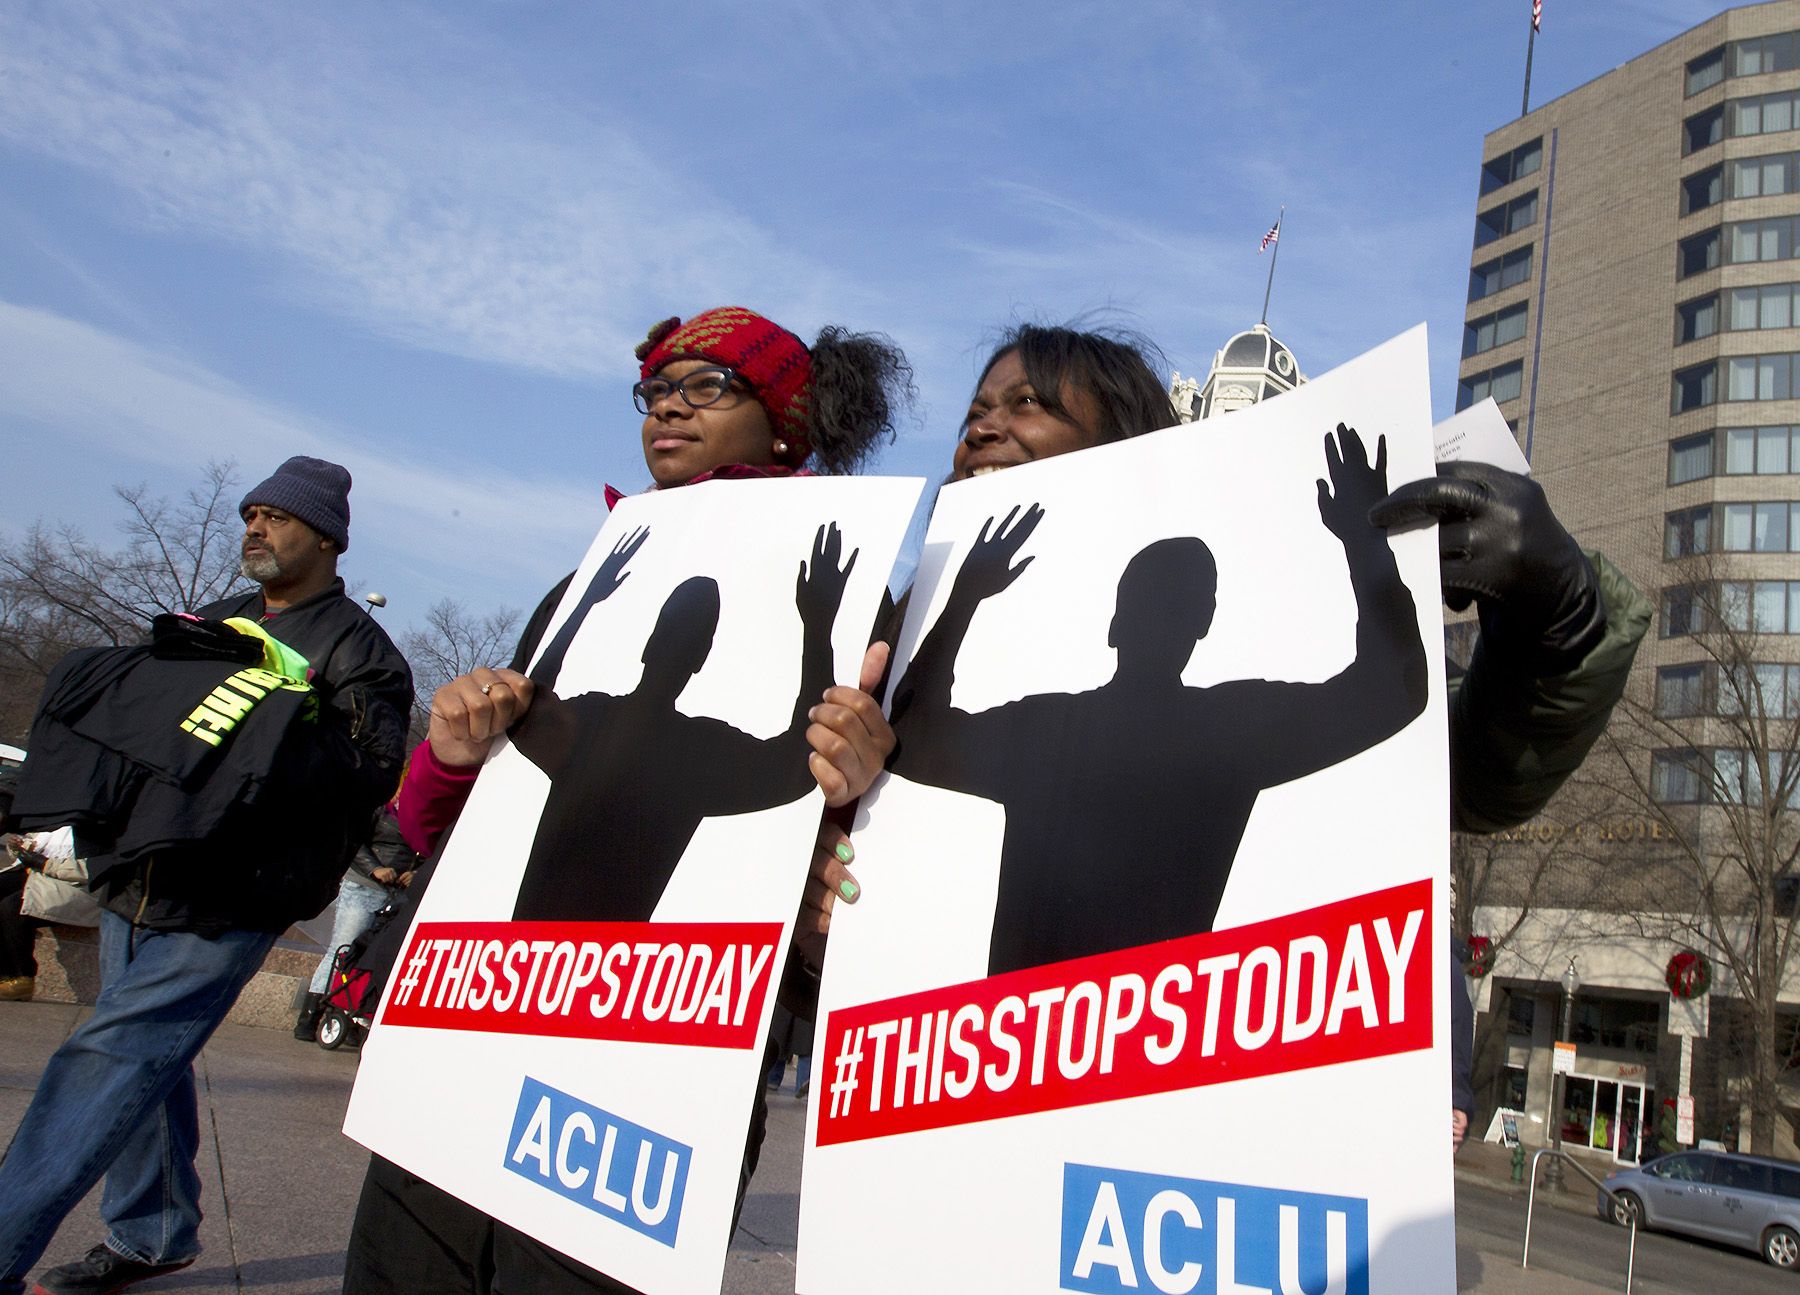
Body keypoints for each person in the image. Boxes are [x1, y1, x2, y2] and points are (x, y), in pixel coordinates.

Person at [797, 320, 1651, 1070]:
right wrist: (816, 902)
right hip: (957, 1121)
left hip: (1164, 1120)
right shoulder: (900, 656)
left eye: (1026, 405)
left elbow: (1411, 720)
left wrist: (1560, 614)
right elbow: (839, 925)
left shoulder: (1224, 719)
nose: (983, 425)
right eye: (976, 410)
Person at [342, 306, 910, 1295]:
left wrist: (837, 696)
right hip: (471, 1020)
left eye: (706, 387)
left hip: (654, 1061)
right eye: (656, 389)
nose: (667, 410)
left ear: (785, 421)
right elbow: (450, 822)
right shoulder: (582, 592)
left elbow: (804, 785)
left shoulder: (870, 603)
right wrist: (446, 754)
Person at [0, 457, 412, 1295]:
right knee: (146, 1057)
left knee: (108, 1054)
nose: (255, 529)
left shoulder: (361, 652)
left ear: (328, 538)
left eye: (277, 517)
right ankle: (154, 1234)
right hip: (140, 874)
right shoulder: (207, 621)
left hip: (235, 894)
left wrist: (280, 712)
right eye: (250, 514)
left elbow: (370, 774)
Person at [887, 426, 1428, 974]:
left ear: (1115, 625)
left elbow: (911, 738)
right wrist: (1365, 543)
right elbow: (1388, 692)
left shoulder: (1046, 731)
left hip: (1029, 1035)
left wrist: (965, 597)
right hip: (1148, 1037)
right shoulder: (1225, 730)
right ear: (1203, 623)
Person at [294, 794, 419, 1041]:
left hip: (398, 894)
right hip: (364, 886)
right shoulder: (382, 806)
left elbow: (429, 850)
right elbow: (353, 840)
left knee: (371, 956)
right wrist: (374, 868)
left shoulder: (428, 814)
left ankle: (351, 1014)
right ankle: (311, 1016)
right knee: (342, 949)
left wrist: (417, 872)